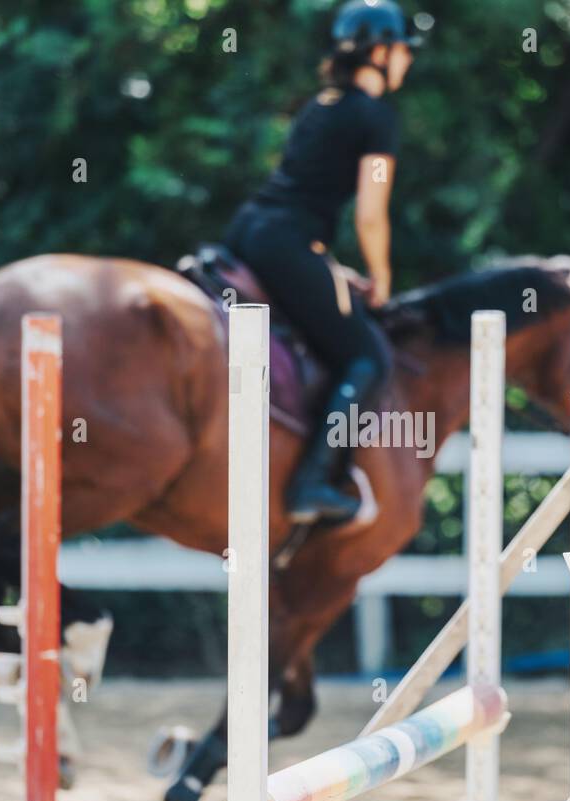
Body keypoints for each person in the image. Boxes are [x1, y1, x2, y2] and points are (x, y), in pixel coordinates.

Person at [224, 0, 420, 524]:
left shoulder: (322, 105)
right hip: (285, 242)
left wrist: (329, 269)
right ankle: (310, 482)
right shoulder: (375, 117)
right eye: (403, 49)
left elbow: (302, 199)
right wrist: (380, 275)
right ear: (380, 52)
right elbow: (371, 214)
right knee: (368, 358)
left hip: (252, 232)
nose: (407, 60)